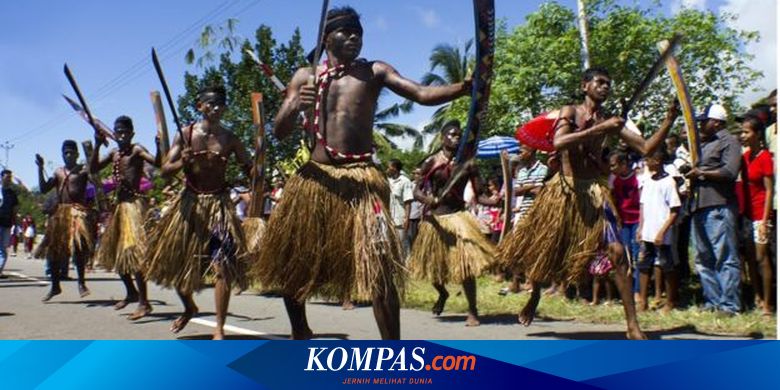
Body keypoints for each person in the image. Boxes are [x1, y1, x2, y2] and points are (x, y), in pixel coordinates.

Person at [253, 6, 470, 339]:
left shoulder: (374, 72)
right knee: (295, 263)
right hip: (316, 180)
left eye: (358, 32)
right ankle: (301, 333)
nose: (354, 37)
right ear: (327, 38)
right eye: (345, 32)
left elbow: (422, 93)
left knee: (380, 267)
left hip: (363, 181)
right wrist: (295, 104)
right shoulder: (305, 76)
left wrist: (465, 87)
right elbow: (279, 131)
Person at [497, 67, 678, 339]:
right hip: (564, 191)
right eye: (600, 82)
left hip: (594, 193)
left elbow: (646, 148)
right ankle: (534, 294)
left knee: (617, 253)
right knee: (546, 251)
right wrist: (599, 129)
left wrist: (668, 121)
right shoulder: (570, 112)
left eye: (608, 84)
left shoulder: (609, 120)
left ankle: (632, 324)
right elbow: (559, 142)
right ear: (585, 86)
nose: (605, 87)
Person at [145, 85, 253, 340]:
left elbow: (248, 166)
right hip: (189, 204)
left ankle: (219, 328)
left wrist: (253, 170)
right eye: (211, 104)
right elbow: (165, 170)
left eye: (220, 104)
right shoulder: (185, 135)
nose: (216, 108)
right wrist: (182, 160)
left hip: (219, 206)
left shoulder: (230, 138)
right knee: (175, 265)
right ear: (200, 107)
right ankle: (189, 307)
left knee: (223, 267)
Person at [409, 121, 499, 326]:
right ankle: (442, 294)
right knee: (433, 269)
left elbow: (478, 195)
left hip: (459, 218)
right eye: (452, 134)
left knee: (466, 267)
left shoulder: (468, 163)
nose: (456, 137)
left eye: (459, 135)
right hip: (435, 222)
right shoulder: (431, 162)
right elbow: (416, 191)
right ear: (442, 138)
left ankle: (473, 310)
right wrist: (428, 200)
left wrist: (494, 201)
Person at [90, 115, 160, 320]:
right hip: (119, 208)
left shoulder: (137, 150)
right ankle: (131, 292)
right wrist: (96, 145)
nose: (121, 135)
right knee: (115, 255)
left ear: (132, 134)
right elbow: (93, 169)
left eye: (125, 132)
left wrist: (158, 147)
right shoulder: (113, 153)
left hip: (133, 207)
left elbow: (159, 162)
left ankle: (144, 303)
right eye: (118, 132)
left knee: (133, 256)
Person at [686, 104, 741, 316]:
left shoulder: (729, 141)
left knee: (724, 255)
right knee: (703, 257)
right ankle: (713, 301)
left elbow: (730, 171)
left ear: (716, 121)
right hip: (699, 204)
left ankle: (729, 305)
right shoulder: (705, 144)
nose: (701, 125)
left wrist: (701, 173)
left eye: (704, 121)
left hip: (719, 205)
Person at [36, 141, 94, 301]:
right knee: (54, 252)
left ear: (77, 154)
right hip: (60, 214)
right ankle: (55, 286)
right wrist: (40, 168)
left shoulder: (83, 171)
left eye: (71, 152)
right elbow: (43, 189)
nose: (68, 155)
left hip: (77, 213)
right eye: (66, 153)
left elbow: (96, 182)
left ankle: (81, 283)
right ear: (62, 154)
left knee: (79, 248)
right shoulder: (58, 172)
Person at [737, 113, 774, 315]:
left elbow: (769, 189)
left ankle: (768, 302)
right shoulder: (745, 157)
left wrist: (764, 220)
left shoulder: (765, 158)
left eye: (746, 131)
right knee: (750, 257)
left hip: (761, 213)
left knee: (762, 257)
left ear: (757, 134)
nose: (742, 135)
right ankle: (757, 295)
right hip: (747, 213)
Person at [636, 147, 681, 313]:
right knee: (643, 266)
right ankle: (643, 301)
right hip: (648, 232)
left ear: (657, 161)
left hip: (662, 233)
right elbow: (643, 205)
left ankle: (670, 301)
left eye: (648, 160)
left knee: (667, 267)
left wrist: (662, 231)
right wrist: (641, 227)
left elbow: (675, 210)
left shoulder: (669, 182)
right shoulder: (648, 181)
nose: (646, 163)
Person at [607, 152, 641, 300]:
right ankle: (627, 290)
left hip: (637, 220)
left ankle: (638, 290)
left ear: (623, 164)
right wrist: (617, 217)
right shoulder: (614, 179)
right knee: (625, 256)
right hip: (624, 222)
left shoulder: (638, 178)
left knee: (637, 256)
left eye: (614, 165)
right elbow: (612, 198)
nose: (611, 168)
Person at [387, 159, 414, 256]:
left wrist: (406, 219)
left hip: (400, 219)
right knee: (392, 244)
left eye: (389, 167)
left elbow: (408, 202)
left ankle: (407, 267)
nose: (387, 169)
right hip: (390, 219)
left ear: (394, 168)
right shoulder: (389, 181)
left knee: (403, 245)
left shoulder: (405, 181)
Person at [0, 170, 20, 278]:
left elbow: (15, 210)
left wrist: (16, 225)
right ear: (1, 178)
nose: (8, 179)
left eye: (10, 177)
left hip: (7, 224)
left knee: (3, 249)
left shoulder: (12, 194)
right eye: (7, 177)